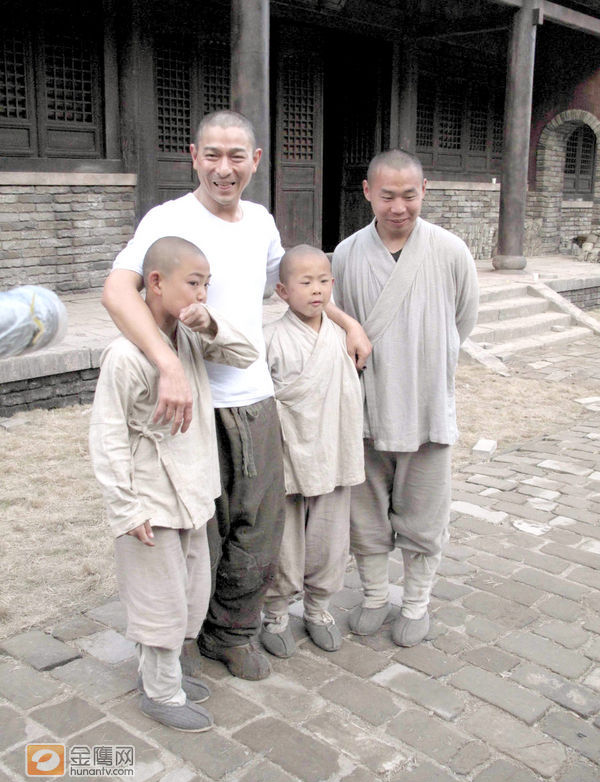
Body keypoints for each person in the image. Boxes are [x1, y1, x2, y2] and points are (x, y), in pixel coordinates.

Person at [102, 110, 370, 680]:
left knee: (259, 522)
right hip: (193, 404)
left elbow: (292, 283)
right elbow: (116, 292)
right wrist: (168, 363)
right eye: (213, 155)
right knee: (202, 525)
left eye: (237, 156)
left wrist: (347, 322)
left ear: (255, 161)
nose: (225, 169)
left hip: (254, 395)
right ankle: (184, 637)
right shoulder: (167, 220)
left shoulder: (261, 222)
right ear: (195, 157)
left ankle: (234, 632)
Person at [89, 237, 258, 731]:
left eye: (207, 285)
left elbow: (246, 354)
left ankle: (163, 676)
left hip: (192, 490)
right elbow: (107, 435)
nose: (202, 294)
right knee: (157, 599)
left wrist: (213, 323)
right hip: (151, 499)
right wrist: (126, 508)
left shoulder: (187, 338)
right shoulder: (124, 356)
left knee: (189, 590)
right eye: (194, 283)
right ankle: (161, 692)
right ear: (156, 282)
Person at [332, 149, 479, 647]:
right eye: (388, 195)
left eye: (409, 195)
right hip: (369, 407)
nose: (399, 206)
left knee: (424, 513)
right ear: (369, 192)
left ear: (423, 193)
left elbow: (464, 320)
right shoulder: (347, 253)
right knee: (365, 512)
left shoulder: (451, 250)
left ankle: (415, 602)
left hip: (426, 406)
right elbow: (339, 324)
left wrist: (427, 361)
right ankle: (375, 595)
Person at [260, 245, 364, 657]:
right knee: (283, 541)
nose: (316, 290)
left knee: (329, 539)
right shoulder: (269, 338)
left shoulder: (344, 335)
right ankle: (276, 614)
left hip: (334, 454)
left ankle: (319, 608)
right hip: (287, 458)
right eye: (305, 283)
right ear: (283, 291)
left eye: (323, 281)